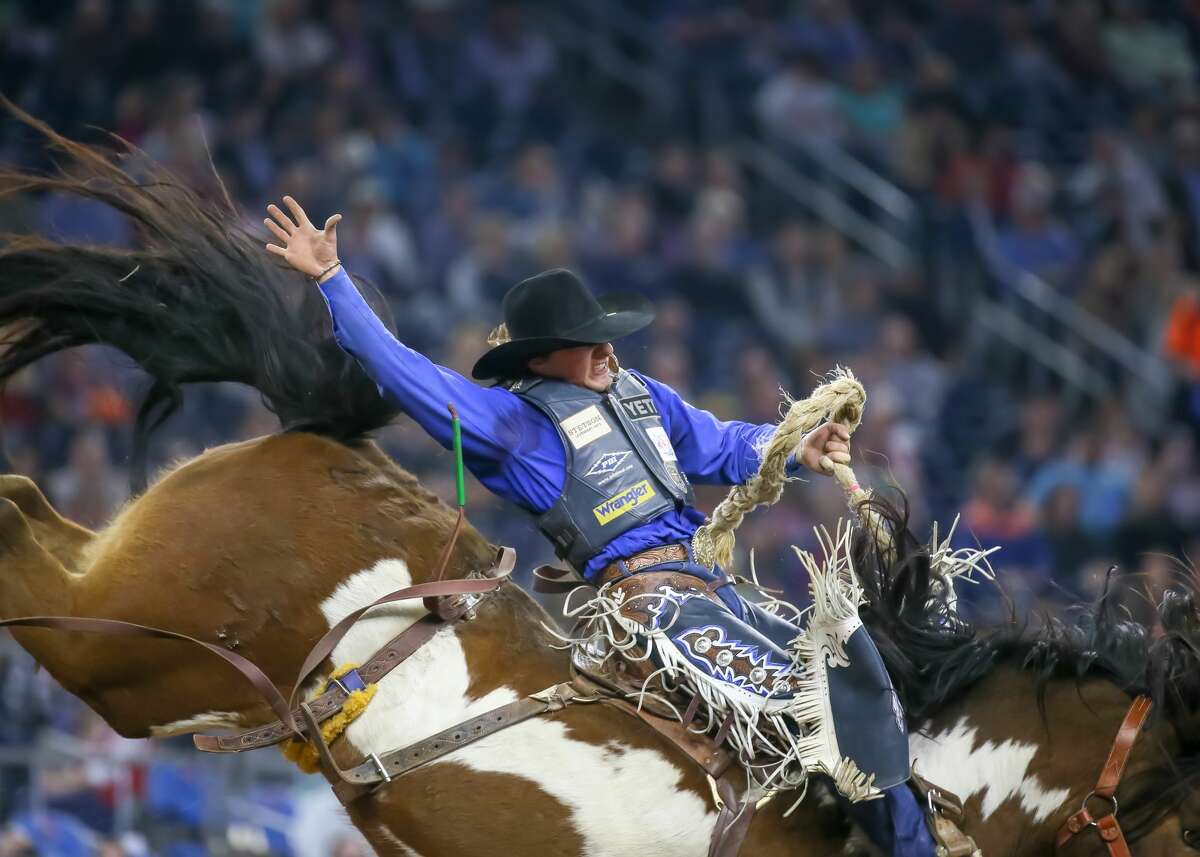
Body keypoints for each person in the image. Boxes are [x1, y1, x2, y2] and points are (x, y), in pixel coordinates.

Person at [263, 195, 936, 857]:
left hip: (713, 592)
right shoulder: (514, 425)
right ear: (538, 359)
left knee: (857, 666)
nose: (605, 350)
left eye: (602, 335)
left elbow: (722, 444)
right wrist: (332, 280)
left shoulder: (640, 394)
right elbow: (406, 374)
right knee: (823, 686)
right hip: (654, 614)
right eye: (583, 343)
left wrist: (797, 446)